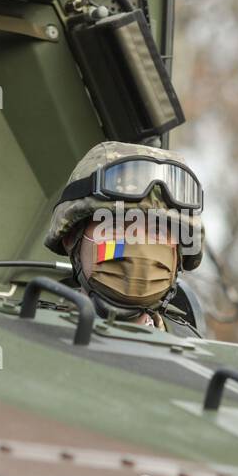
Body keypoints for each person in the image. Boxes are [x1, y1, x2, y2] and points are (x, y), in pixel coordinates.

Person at [44, 141, 205, 336]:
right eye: (117, 227)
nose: (141, 247)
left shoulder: (196, 349)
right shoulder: (28, 332)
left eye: (159, 232)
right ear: (71, 238)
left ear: (178, 255)